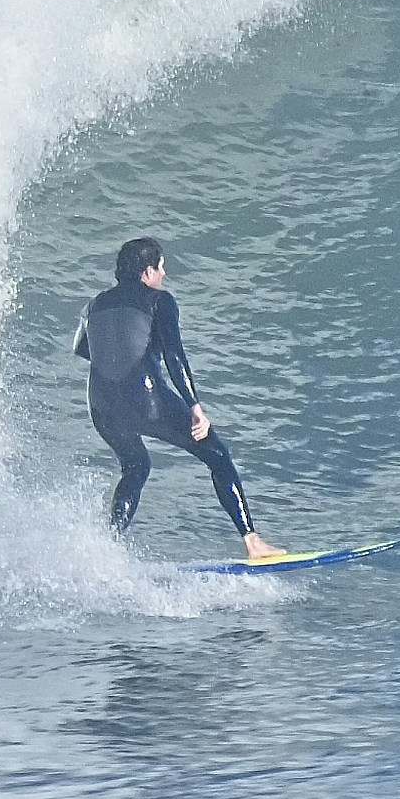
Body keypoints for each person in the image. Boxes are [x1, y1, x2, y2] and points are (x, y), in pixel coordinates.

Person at [71, 235, 271, 559]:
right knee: (217, 453)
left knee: (135, 466)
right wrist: (196, 407)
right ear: (147, 271)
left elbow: (84, 350)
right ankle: (253, 542)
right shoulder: (159, 300)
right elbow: (175, 357)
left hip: (101, 404)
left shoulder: (94, 304)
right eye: (161, 268)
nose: (163, 275)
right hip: (144, 397)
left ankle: (107, 551)